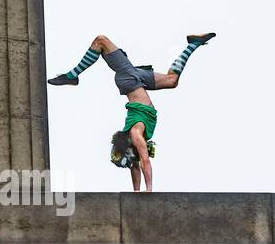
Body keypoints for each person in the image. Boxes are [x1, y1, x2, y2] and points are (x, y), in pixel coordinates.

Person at [47, 32, 215, 192]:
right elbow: (136, 165)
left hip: (129, 78)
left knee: (101, 40)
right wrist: (136, 192)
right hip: (135, 79)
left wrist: (148, 189)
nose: (135, 156)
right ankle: (193, 43)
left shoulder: (135, 134)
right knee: (172, 80)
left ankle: (72, 75)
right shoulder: (134, 139)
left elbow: (145, 161)